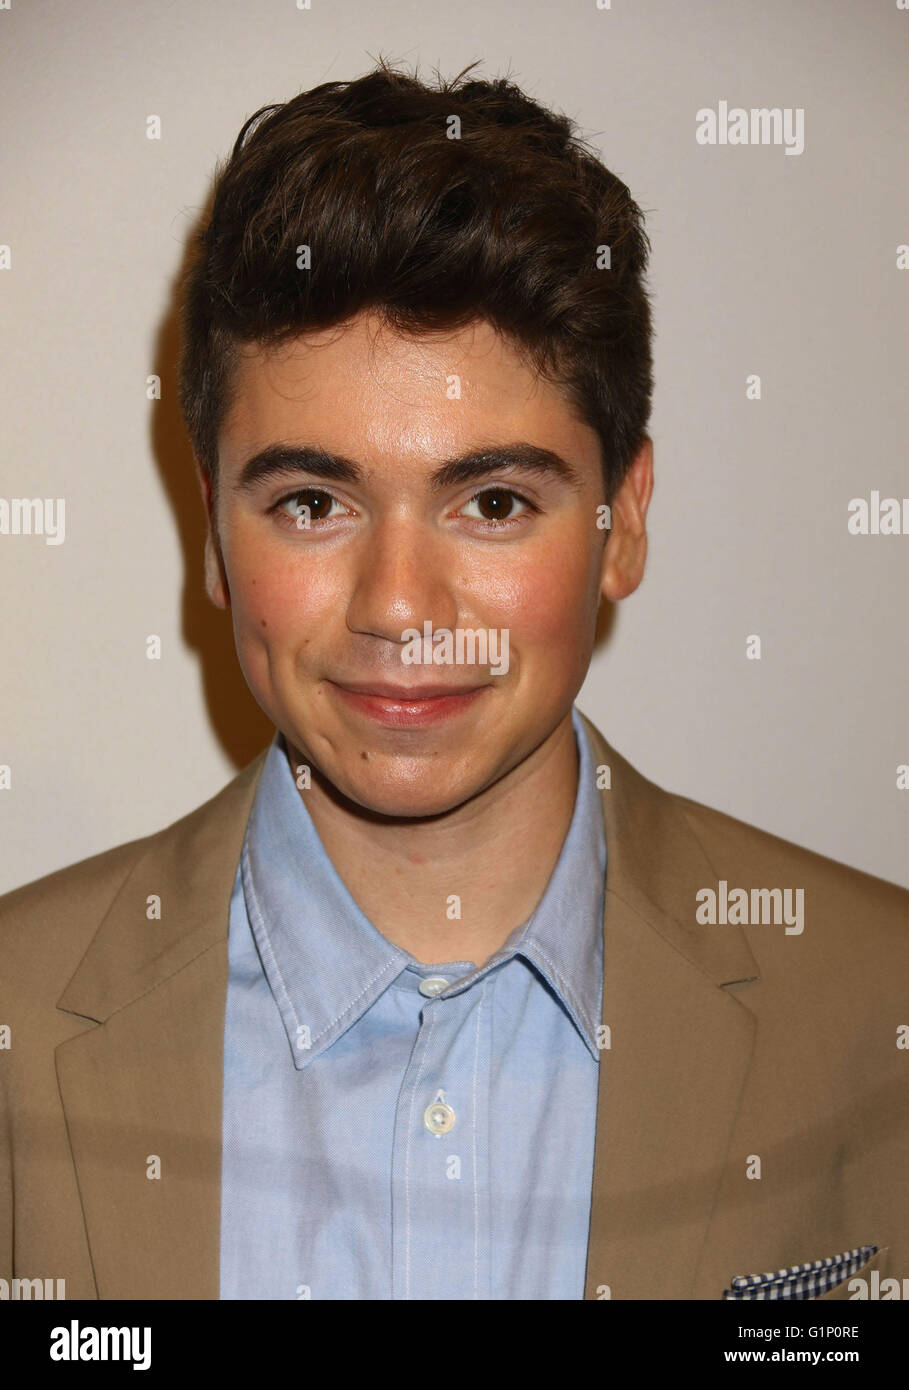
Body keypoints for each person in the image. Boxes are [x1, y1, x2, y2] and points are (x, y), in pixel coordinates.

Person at [1, 59, 907, 1303]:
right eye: (313, 502)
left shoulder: (881, 1004)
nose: (399, 608)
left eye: (492, 502)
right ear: (213, 532)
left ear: (622, 522)